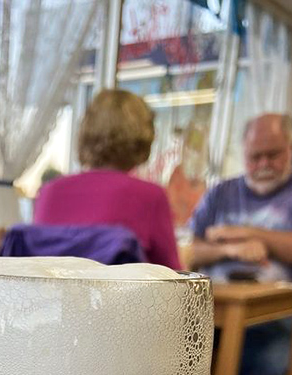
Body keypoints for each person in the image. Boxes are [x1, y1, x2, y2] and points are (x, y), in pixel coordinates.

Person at [190, 113, 292, 375]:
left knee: (268, 362)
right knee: (170, 351)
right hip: (209, 311)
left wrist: (250, 233)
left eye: (273, 154)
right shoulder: (221, 192)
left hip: (274, 317)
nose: (264, 164)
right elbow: (191, 249)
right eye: (255, 156)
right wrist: (230, 249)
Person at [33, 89, 181, 269]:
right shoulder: (151, 196)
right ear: (145, 137)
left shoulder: (49, 192)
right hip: (119, 288)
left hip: (53, 288)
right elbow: (173, 277)